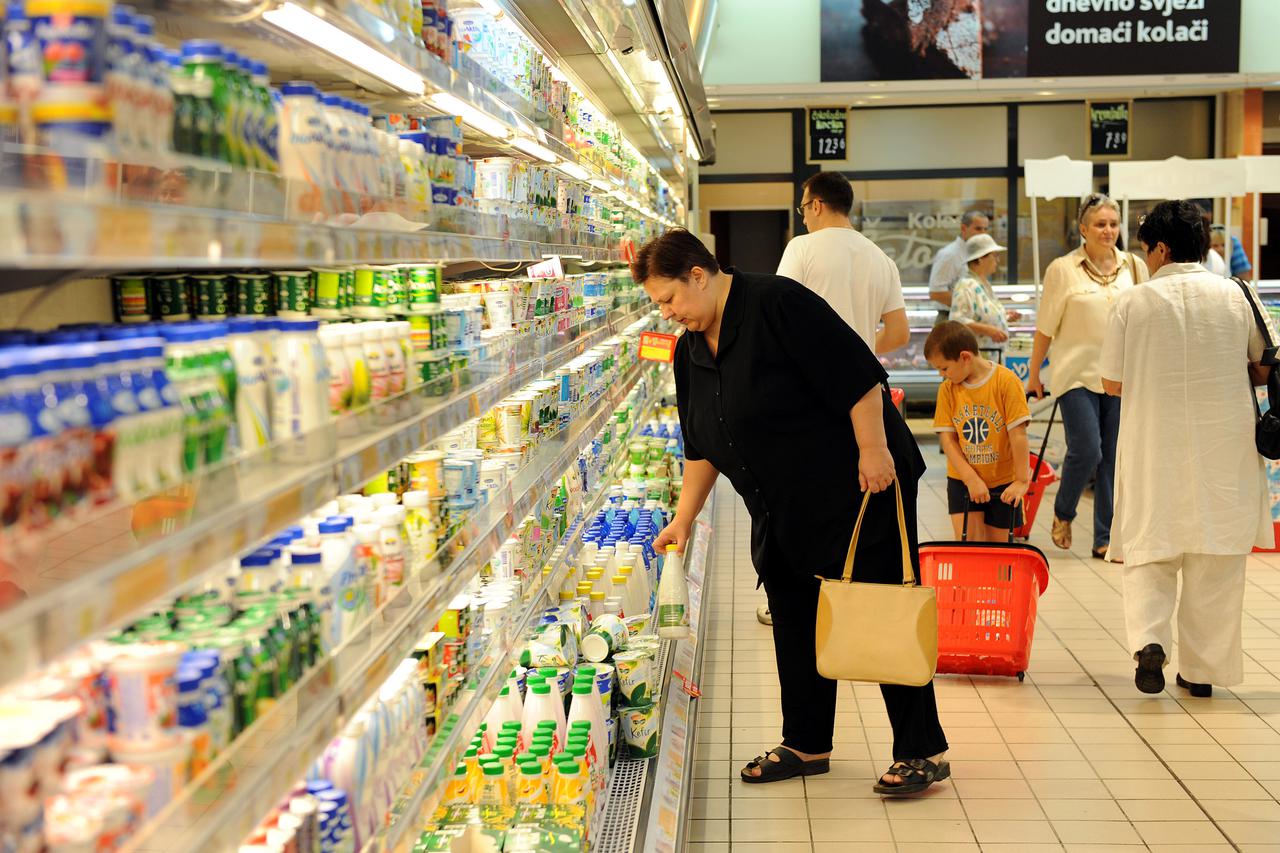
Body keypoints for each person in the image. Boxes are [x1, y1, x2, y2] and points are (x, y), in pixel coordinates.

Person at [637, 229, 950, 795]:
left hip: (858, 484)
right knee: (793, 611)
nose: (667, 314)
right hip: (781, 500)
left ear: (699, 275)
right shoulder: (689, 351)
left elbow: (858, 378)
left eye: (669, 299)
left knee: (880, 607)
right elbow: (701, 445)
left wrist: (875, 453)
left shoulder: (777, 302)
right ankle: (807, 742)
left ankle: (922, 749)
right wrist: (683, 518)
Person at [1099, 199, 1274, 697]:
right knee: (1215, 560)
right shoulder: (1237, 296)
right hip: (1225, 447)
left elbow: (1111, 382)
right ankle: (1202, 673)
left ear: (1161, 247)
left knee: (1151, 551)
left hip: (1155, 444)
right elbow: (1263, 367)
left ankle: (1151, 642)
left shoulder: (1133, 302)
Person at [753, 171, 908, 627]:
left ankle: (792, 599)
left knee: (797, 501)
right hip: (867, 400)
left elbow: (779, 315)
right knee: (852, 500)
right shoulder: (881, 257)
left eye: (803, 209)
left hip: (808, 400)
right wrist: (855, 354)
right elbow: (897, 332)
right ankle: (847, 598)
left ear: (816, 204)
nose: (803, 218)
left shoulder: (802, 249)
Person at [1026, 193, 1149, 560]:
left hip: (1122, 374)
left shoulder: (1134, 267)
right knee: (1088, 447)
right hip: (1075, 374)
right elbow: (1045, 327)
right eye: (1100, 224)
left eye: (1113, 224)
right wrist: (1034, 373)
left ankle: (1104, 537)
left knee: (1113, 456)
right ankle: (1064, 511)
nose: (1108, 230)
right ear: (1083, 229)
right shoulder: (1062, 269)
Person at [926, 322, 1031, 541]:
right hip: (962, 479)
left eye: (944, 368)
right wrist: (970, 478)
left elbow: (1018, 435)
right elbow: (948, 440)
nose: (941, 375)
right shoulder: (947, 389)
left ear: (965, 357)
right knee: (968, 550)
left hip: (1003, 481)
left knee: (999, 556)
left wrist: (1022, 480)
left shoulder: (1007, 382)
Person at [949, 233, 1017, 363]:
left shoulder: (983, 283)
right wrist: (989, 330)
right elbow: (957, 321)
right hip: (978, 360)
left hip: (991, 358)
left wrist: (1005, 316)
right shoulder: (966, 285)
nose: (997, 261)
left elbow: (982, 315)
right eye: (994, 255)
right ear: (980, 259)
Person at [928, 209, 990, 323]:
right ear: (963, 228)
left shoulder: (976, 254)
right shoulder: (950, 255)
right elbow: (936, 292)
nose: (983, 233)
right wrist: (967, 306)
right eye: (978, 229)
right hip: (950, 320)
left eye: (985, 229)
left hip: (970, 319)